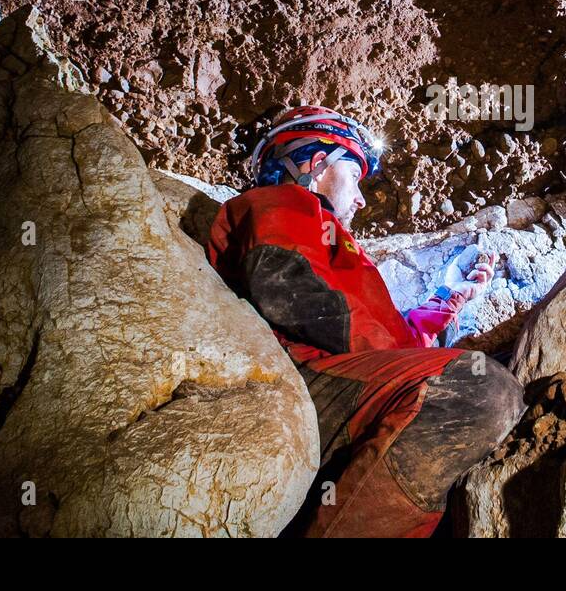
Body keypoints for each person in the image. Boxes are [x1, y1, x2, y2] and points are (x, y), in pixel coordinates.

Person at [206, 105, 525, 537]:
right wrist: (438, 367)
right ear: (317, 165)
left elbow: (387, 332)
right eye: (354, 176)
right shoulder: (283, 203)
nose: (360, 198)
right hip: (306, 379)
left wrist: (449, 299)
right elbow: (289, 293)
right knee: (485, 388)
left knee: (498, 377)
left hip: (352, 377)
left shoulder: (339, 248)